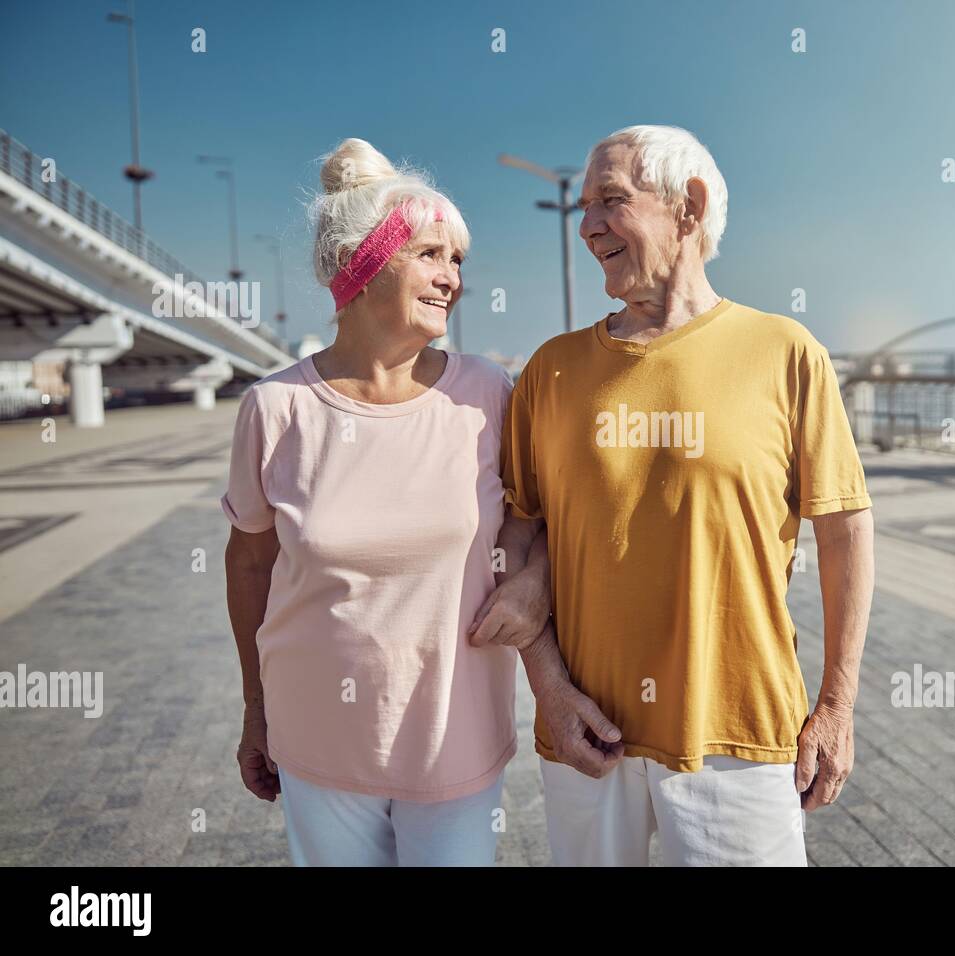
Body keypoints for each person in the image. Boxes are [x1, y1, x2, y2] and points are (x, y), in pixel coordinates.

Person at [502, 125, 877, 866]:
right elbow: (516, 538)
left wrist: (836, 707)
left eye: (611, 200)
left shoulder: (786, 353)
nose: (587, 227)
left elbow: (844, 532)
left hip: (737, 739)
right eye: (583, 208)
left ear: (690, 206)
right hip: (585, 737)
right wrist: (546, 686)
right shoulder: (549, 371)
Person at [222, 138, 550, 866]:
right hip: (315, 739)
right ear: (360, 269)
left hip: (453, 736)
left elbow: (537, 522)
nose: (453, 278)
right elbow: (248, 566)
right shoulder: (275, 409)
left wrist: (537, 586)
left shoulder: (488, 396)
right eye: (431, 255)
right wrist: (256, 711)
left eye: (458, 259)